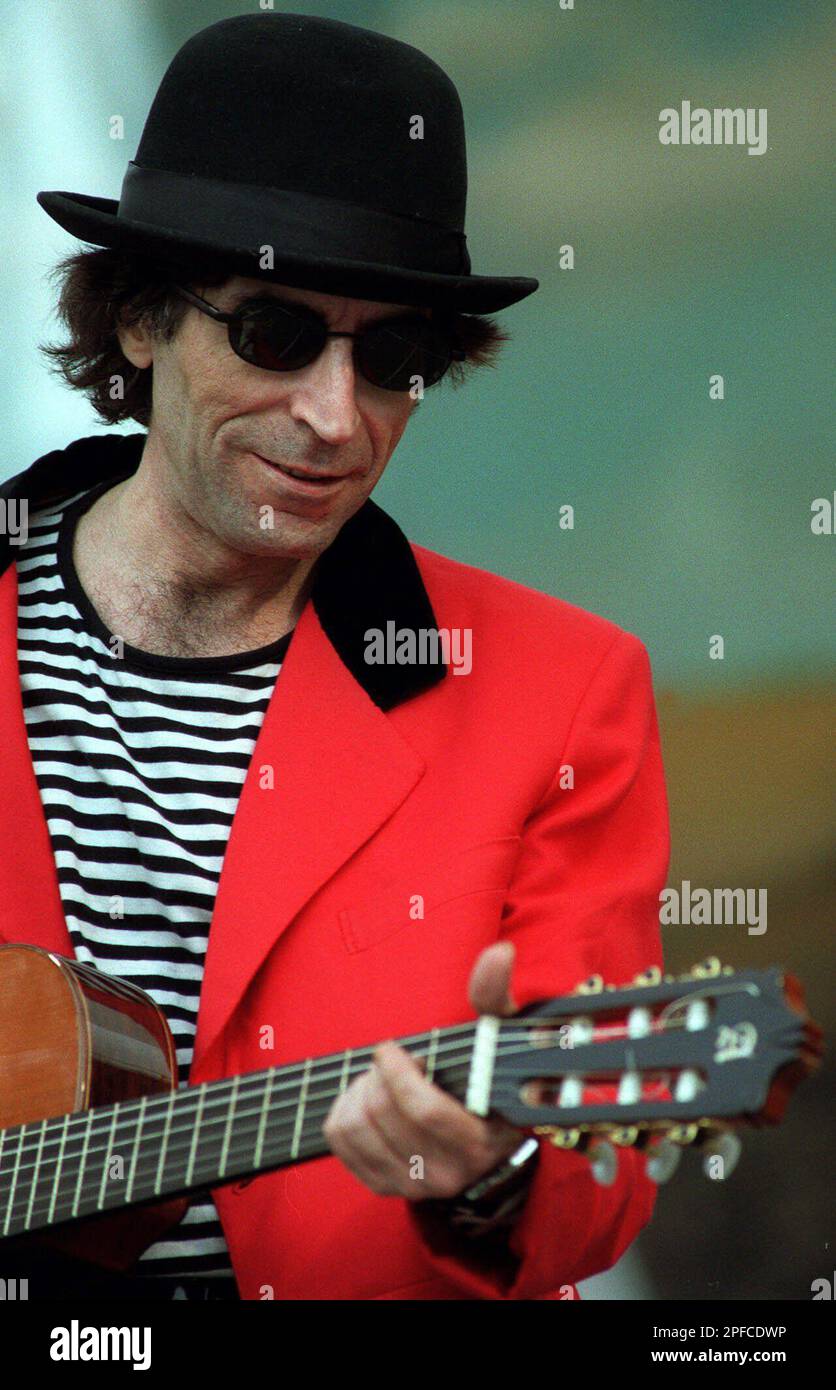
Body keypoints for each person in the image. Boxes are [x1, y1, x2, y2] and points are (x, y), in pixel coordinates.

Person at [0, 12, 669, 1300]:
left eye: (394, 360)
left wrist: (494, 1171)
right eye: (276, 333)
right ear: (138, 317)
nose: (333, 417)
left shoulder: (561, 695)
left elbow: (601, 1170)